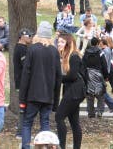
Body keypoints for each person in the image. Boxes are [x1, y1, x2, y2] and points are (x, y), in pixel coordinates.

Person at [19, 21, 61, 149]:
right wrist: (55, 101)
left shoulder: (32, 49)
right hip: (48, 95)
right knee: (45, 123)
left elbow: (26, 75)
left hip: (33, 94)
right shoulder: (54, 52)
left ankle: (26, 147)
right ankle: (46, 146)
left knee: (27, 123)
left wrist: (22, 98)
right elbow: (58, 77)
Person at [55, 32, 84, 149]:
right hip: (71, 90)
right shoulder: (65, 56)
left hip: (76, 90)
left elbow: (72, 76)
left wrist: (57, 78)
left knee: (59, 116)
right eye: (58, 41)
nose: (59, 44)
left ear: (68, 43)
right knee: (74, 121)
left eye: (62, 42)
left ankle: (61, 146)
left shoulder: (74, 56)